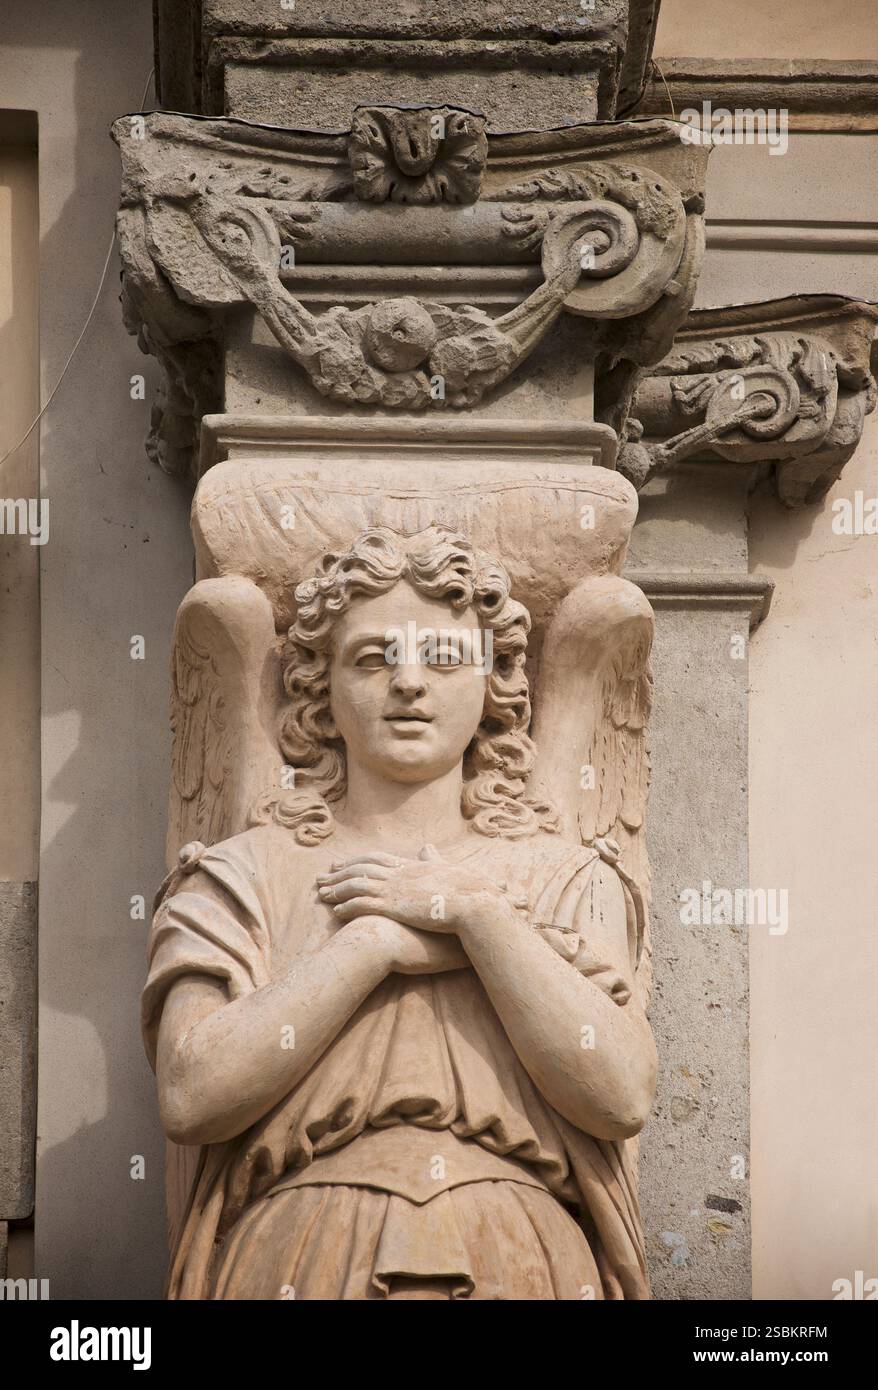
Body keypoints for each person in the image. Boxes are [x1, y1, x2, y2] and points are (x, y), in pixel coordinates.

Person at [143, 526, 656, 1299]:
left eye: (444, 659)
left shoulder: (562, 875)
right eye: (374, 657)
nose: (409, 683)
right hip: (302, 1249)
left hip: (518, 1250)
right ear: (318, 689)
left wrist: (479, 919)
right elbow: (191, 1095)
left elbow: (619, 1095)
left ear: (493, 685)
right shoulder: (245, 871)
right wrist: (376, 945)